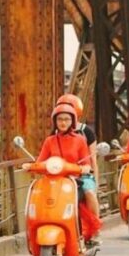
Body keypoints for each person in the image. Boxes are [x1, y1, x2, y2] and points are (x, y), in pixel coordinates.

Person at [38, 103, 101, 244]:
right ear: (55, 121)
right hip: (55, 180)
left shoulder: (80, 140)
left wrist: (85, 168)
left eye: (67, 119)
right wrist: (32, 166)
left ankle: (95, 229)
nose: (63, 122)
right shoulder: (49, 141)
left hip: (77, 179)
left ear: (72, 121)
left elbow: (87, 163)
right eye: (60, 119)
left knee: (89, 193)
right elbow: (41, 161)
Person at [56, 94, 102, 227]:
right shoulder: (55, 133)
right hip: (60, 174)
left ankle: (95, 224)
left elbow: (92, 159)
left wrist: (95, 181)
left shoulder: (86, 132)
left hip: (82, 174)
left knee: (89, 192)